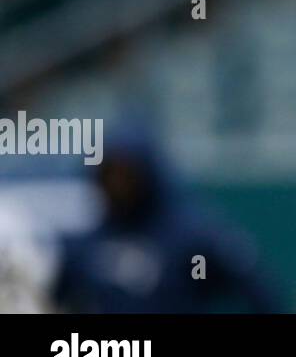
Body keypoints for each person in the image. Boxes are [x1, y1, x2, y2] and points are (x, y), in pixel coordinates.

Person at [52, 124, 281, 313]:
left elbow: (258, 290)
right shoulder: (86, 245)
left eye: (125, 175)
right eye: (109, 173)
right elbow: (58, 301)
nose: (117, 185)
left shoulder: (193, 237)